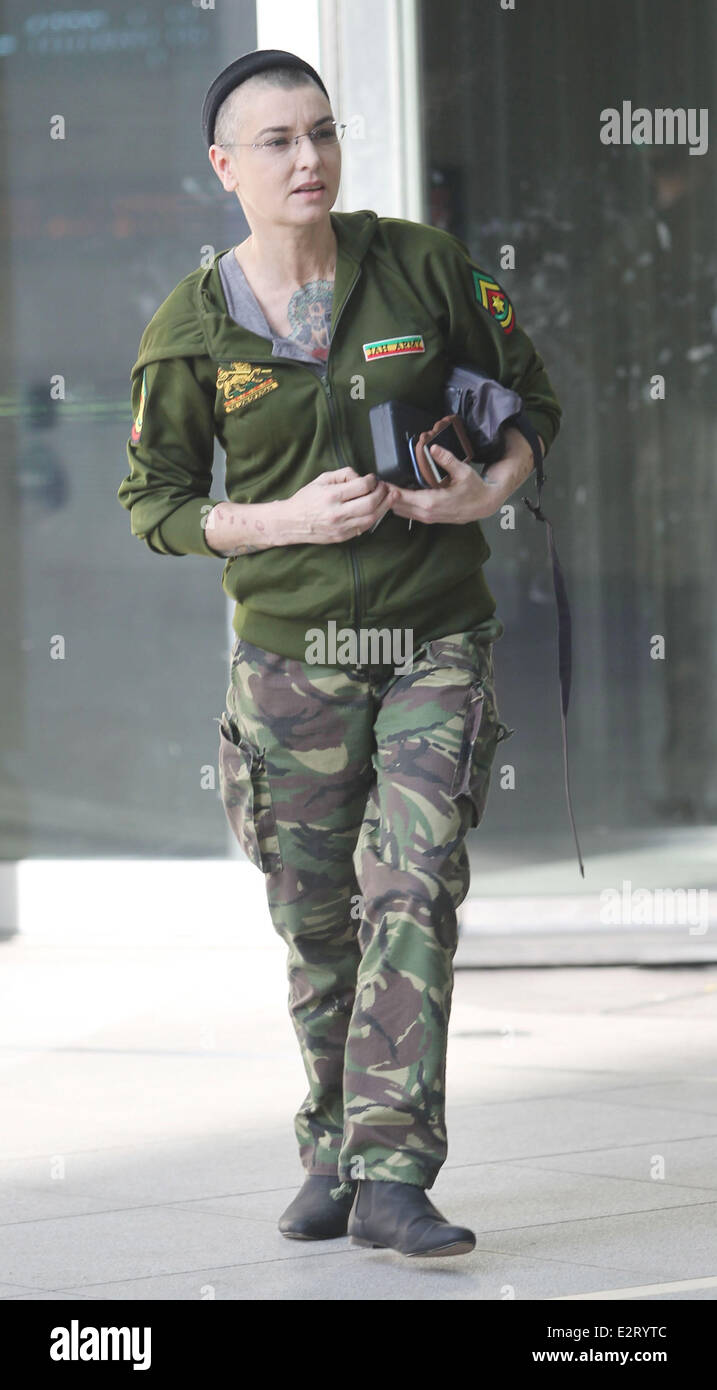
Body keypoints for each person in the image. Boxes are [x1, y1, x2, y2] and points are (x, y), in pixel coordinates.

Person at [117, 48, 562, 1259]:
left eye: (322, 132)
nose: (308, 159)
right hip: (288, 662)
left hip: (433, 635)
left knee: (412, 882)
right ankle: (333, 1142)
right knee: (316, 917)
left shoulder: (421, 265)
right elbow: (154, 503)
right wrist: (277, 522)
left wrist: (491, 491)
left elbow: (530, 404)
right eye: (277, 142)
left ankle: (394, 1175)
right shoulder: (194, 326)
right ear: (226, 168)